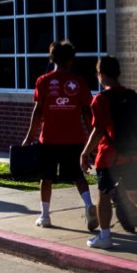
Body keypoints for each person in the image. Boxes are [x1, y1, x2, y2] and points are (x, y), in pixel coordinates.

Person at [79, 55, 137, 253]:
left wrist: (85, 152)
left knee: (104, 195)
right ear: (118, 73)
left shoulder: (101, 99)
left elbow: (98, 130)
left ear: (101, 74)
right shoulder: (133, 96)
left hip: (110, 157)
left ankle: (105, 237)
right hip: (135, 155)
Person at [17, 41, 93, 226]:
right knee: (78, 175)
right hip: (74, 138)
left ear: (52, 59)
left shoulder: (43, 81)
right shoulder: (79, 81)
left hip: (49, 139)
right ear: (70, 60)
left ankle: (45, 216)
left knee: (46, 177)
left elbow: (38, 111)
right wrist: (92, 137)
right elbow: (87, 112)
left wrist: (29, 137)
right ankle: (89, 205)